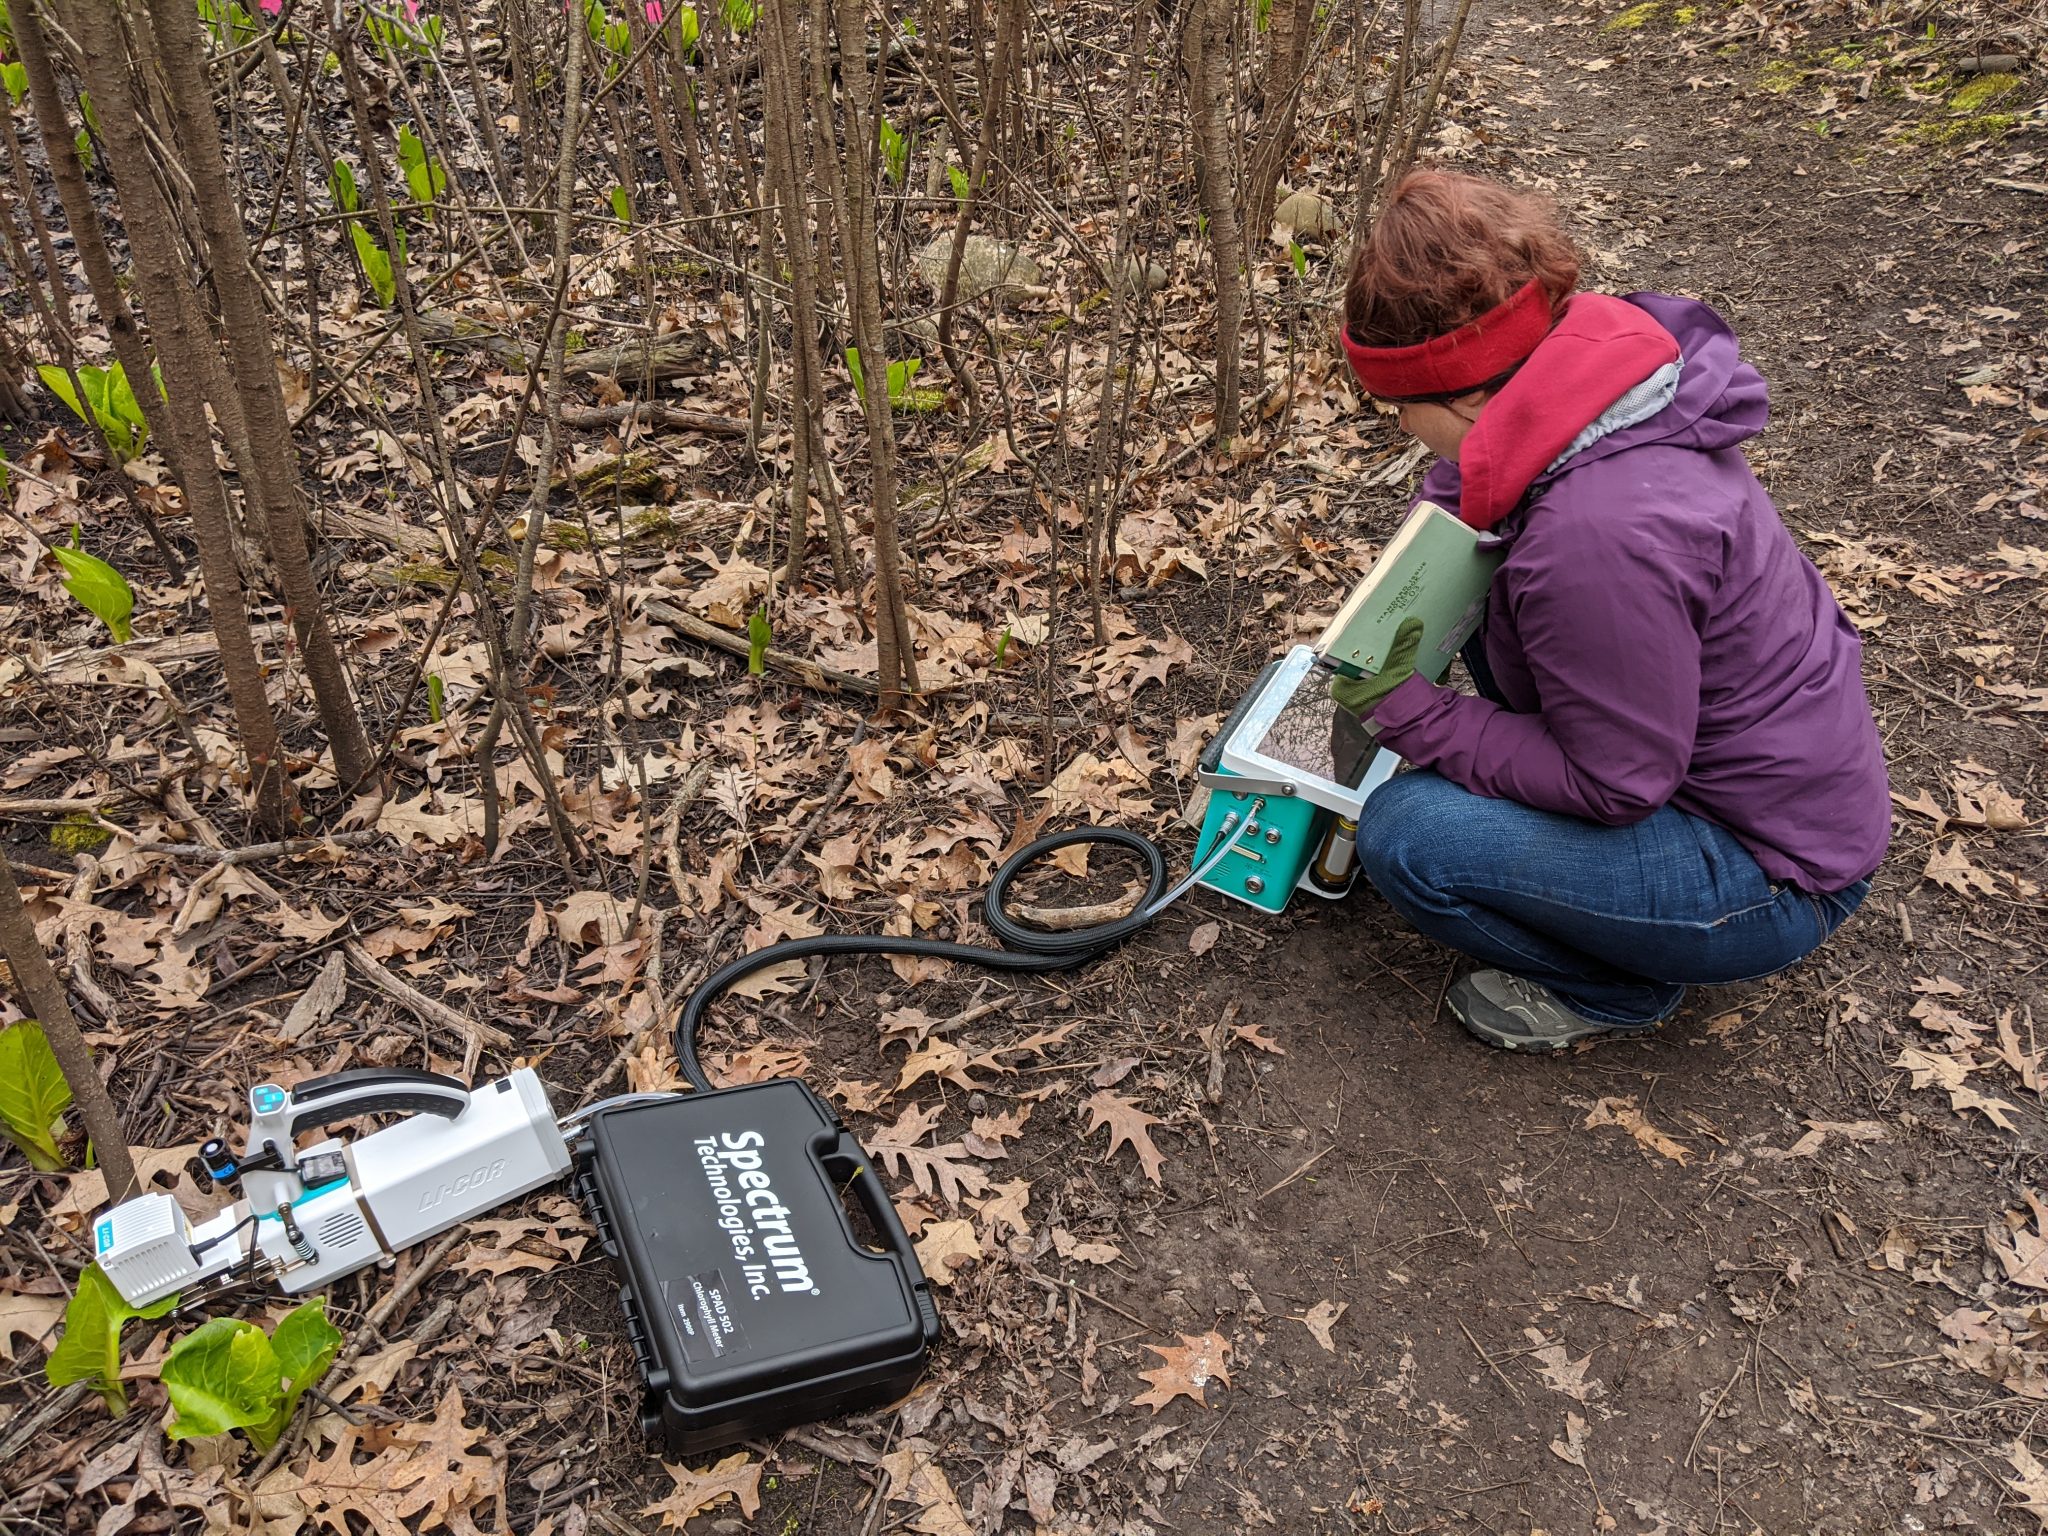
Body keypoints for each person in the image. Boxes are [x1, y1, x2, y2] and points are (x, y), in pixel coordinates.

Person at [1328, 168, 1889, 1051]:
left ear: (1473, 393)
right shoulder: (1596, 384)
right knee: (1442, 781)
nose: (1397, 425)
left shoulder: (1594, 538)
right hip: (1779, 792)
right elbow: (1471, 479)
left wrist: (1413, 717)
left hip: (1771, 870)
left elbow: (1615, 783)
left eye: (1400, 406)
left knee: (1408, 838)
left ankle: (1616, 992)